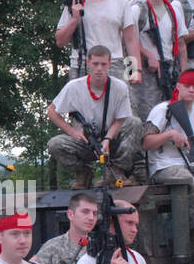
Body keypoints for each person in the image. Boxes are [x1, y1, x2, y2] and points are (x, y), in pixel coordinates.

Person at [46, 45, 144, 188]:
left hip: (112, 140)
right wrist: (72, 132)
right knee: (55, 145)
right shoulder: (74, 87)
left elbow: (121, 119)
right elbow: (52, 112)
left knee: (134, 122)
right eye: (95, 64)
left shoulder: (120, 87)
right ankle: (84, 172)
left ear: (110, 64)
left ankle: (116, 171)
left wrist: (107, 139)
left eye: (103, 64)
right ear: (88, 63)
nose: (99, 68)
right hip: (86, 142)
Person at [142, 70, 194, 258]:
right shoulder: (163, 110)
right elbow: (145, 143)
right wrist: (169, 135)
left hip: (187, 167)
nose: (191, 90)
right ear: (178, 86)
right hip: (163, 166)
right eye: (187, 86)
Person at [55, 0, 142, 84]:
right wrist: (74, 20)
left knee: (120, 102)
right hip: (82, 63)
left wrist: (134, 71)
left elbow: (130, 40)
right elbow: (60, 41)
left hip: (114, 64)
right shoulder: (75, 3)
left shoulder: (121, 3)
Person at [135, 0, 184, 120]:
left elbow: (181, 43)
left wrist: (183, 73)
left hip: (170, 69)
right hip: (145, 70)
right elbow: (126, 41)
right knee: (146, 113)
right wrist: (148, 55)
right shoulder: (137, 10)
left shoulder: (174, 9)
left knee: (170, 113)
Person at [34, 191, 99, 264]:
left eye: (95, 214)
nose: (91, 218)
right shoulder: (52, 248)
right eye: (85, 212)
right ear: (70, 214)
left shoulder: (100, 249)